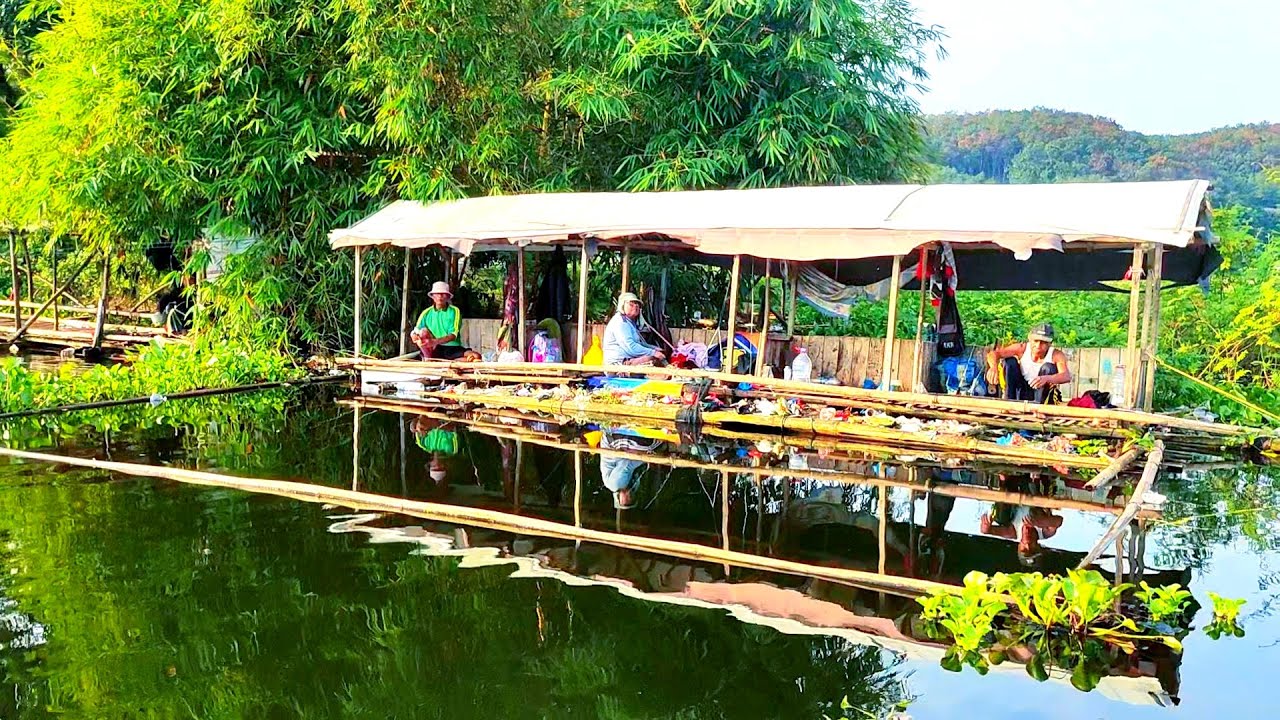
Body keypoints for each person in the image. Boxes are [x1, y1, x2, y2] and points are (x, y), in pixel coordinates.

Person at [984, 323, 1071, 403]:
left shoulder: (1056, 355)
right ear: (1030, 339)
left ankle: (1039, 407)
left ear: (1049, 343)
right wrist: (993, 367)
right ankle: (1009, 402)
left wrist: (1047, 378)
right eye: (1036, 341)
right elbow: (993, 354)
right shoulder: (1022, 348)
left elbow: (1066, 376)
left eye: (1043, 342)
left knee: (1048, 367)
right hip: (1020, 390)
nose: (1038, 346)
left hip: (1041, 392)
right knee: (1009, 362)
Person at [412, 281, 479, 361]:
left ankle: (445, 361)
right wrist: (414, 336)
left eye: (443, 294)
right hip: (433, 350)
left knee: (476, 356)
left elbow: (453, 335)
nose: (440, 296)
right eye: (437, 294)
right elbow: (416, 330)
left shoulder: (454, 311)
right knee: (423, 331)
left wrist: (435, 341)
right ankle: (428, 358)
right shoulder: (426, 312)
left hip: (451, 347)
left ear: (448, 296)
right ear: (432, 296)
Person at [602, 292, 666, 366]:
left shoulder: (629, 322)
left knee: (656, 357)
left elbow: (639, 344)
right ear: (622, 306)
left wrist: (655, 349)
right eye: (631, 304)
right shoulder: (620, 322)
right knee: (652, 359)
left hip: (628, 360)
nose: (635, 306)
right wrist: (653, 352)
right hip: (618, 364)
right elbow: (631, 348)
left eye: (637, 304)